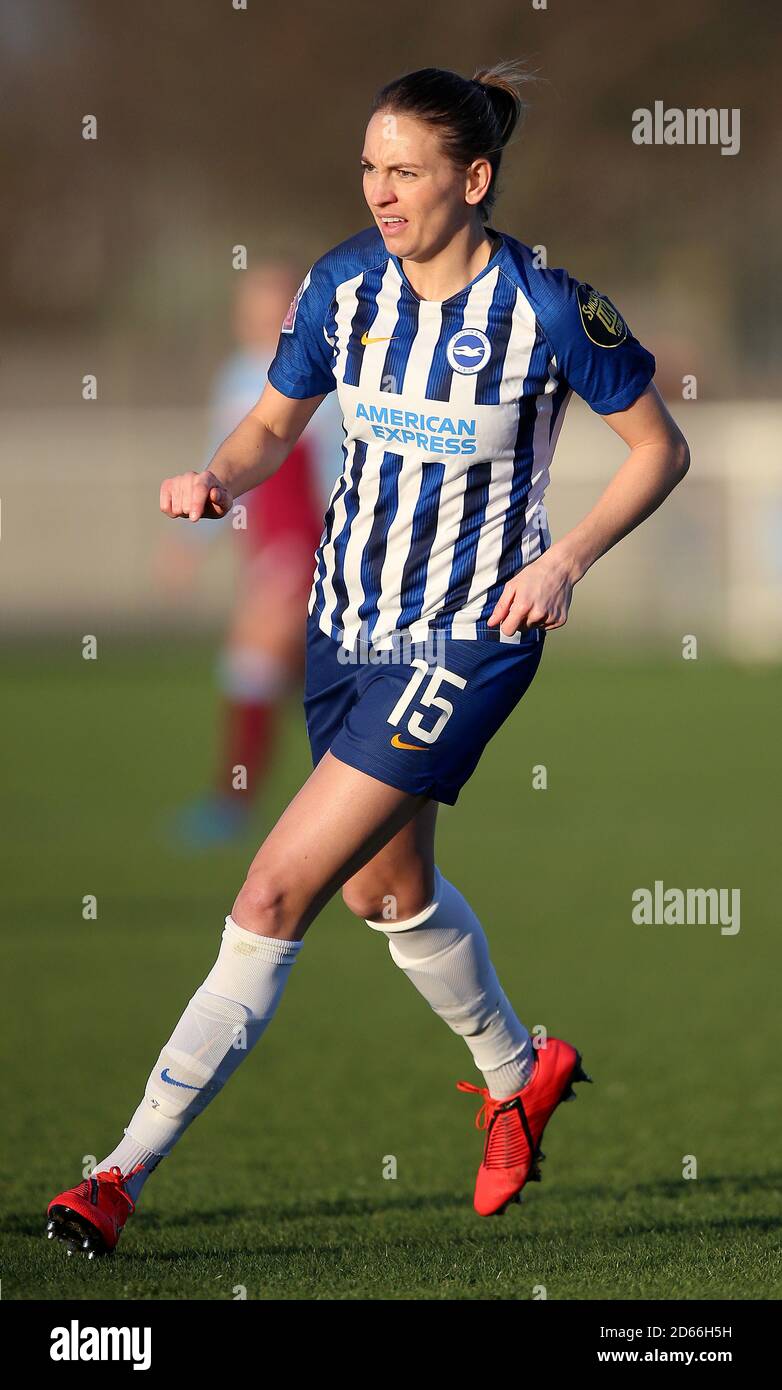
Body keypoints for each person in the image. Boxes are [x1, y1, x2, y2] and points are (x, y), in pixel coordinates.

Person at [46, 62, 689, 1256]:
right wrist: (218, 478)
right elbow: (275, 420)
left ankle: (116, 1174)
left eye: (405, 170)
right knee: (381, 892)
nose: (380, 192)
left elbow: (658, 447)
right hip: (343, 632)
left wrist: (566, 561)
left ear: (473, 179)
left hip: (465, 643)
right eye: (368, 169)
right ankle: (520, 1070)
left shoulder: (549, 306)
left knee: (272, 890)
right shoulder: (343, 285)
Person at [159, 263, 342, 845]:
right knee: (300, 670)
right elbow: (224, 464)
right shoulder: (238, 374)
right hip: (264, 541)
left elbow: (335, 465)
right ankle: (346, 796)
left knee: (256, 654)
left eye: (274, 303)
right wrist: (192, 540)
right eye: (252, 304)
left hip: (307, 538)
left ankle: (235, 803)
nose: (261, 316)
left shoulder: (329, 369)